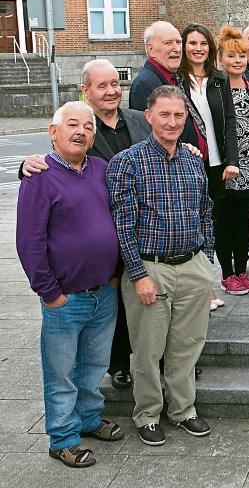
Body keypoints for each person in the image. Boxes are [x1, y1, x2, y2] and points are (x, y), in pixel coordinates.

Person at [20, 59, 151, 392]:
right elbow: (33, 234)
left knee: (136, 304)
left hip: (141, 234)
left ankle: (146, 365)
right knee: (109, 316)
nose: (110, 91)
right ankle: (119, 365)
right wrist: (26, 165)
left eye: (114, 84)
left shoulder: (138, 120)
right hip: (88, 268)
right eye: (101, 86)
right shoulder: (76, 142)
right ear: (87, 90)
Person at [107, 86, 216, 447]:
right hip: (150, 269)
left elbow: (205, 212)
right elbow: (123, 225)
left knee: (187, 346)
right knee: (148, 350)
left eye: (179, 115)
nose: (172, 122)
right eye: (165, 115)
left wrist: (207, 265)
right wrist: (137, 275)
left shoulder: (191, 159)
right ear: (149, 116)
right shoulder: (128, 161)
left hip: (192, 267)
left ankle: (183, 411)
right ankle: (148, 414)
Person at [17, 101, 124, 468]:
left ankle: (90, 420)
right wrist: (50, 293)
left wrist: (112, 276)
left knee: (94, 367)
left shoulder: (100, 168)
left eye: (88, 126)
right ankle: (62, 438)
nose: (81, 131)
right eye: (72, 124)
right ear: (53, 132)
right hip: (65, 298)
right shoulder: (40, 176)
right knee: (61, 373)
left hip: (103, 292)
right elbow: (29, 242)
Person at [178, 23, 239, 309]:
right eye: (192, 43)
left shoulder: (218, 80)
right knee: (194, 225)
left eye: (203, 43)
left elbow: (229, 121)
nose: (198, 48)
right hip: (190, 163)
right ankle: (204, 290)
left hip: (217, 165)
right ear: (183, 46)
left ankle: (210, 285)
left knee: (213, 225)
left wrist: (232, 160)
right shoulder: (177, 81)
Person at [214, 26, 249, 295]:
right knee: (226, 224)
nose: (238, 61)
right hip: (228, 170)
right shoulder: (215, 89)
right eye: (231, 56)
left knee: (243, 224)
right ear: (220, 60)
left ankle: (242, 271)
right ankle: (227, 274)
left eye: (242, 56)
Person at [129, 21, 183, 110]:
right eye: (168, 43)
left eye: (178, 42)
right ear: (150, 49)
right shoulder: (145, 85)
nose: (177, 49)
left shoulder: (176, 77)